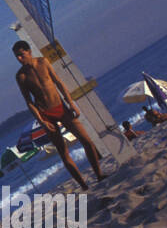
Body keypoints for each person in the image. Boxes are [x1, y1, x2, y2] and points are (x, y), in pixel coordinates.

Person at [12, 41, 105, 188]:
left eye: (21, 55)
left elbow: (58, 82)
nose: (19, 59)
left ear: (29, 51)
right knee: (63, 152)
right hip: (45, 114)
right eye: (16, 56)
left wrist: (70, 103)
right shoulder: (21, 76)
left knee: (87, 141)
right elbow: (29, 102)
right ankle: (83, 185)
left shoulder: (43, 62)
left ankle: (99, 175)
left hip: (61, 108)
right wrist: (41, 121)